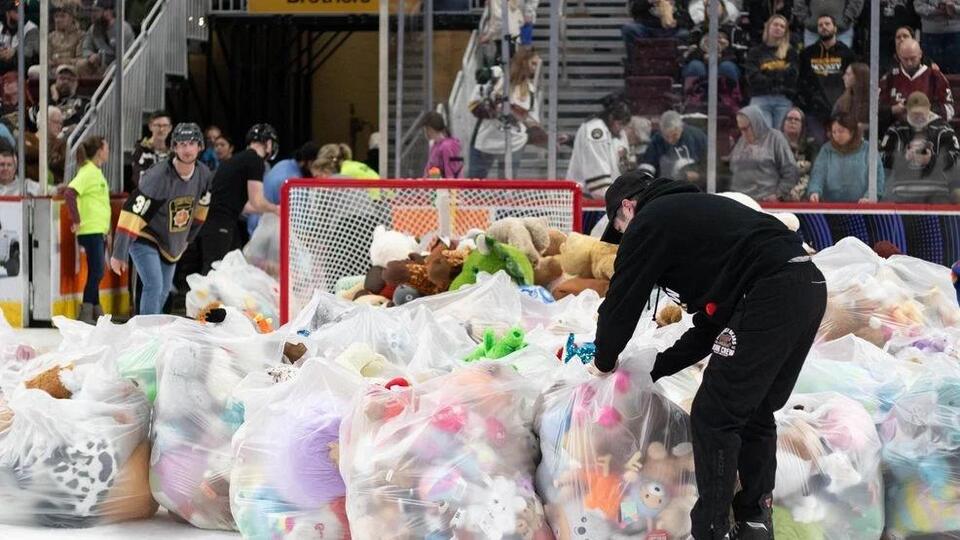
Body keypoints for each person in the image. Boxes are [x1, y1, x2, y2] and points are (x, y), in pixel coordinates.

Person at [590, 171, 827, 540]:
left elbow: (621, 301)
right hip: (807, 286)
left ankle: (712, 529)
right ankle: (754, 521)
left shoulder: (651, 220)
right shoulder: (697, 216)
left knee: (715, 415)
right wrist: (658, 367)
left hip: (771, 290)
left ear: (627, 206)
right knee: (753, 410)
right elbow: (711, 325)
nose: (622, 235)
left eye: (619, 227)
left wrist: (603, 361)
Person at [110, 123, 213, 315]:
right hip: (144, 235)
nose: (187, 149)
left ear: (200, 146)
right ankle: (146, 336)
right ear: (174, 148)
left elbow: (200, 212)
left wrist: (187, 240)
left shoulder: (204, 174)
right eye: (181, 144)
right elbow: (133, 212)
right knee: (154, 285)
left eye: (192, 143)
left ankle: (154, 332)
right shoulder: (157, 176)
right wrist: (119, 252)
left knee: (164, 291)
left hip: (171, 241)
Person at [195, 123, 278, 273]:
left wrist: (269, 211)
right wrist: (277, 209)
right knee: (214, 271)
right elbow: (257, 202)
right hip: (220, 222)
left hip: (221, 221)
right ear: (268, 143)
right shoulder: (255, 161)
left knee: (234, 268)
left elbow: (245, 204)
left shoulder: (238, 160)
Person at [468, 47, 540, 178]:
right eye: (533, 63)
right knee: (473, 185)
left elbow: (532, 121)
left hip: (514, 143)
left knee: (506, 188)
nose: (535, 68)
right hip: (485, 141)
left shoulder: (530, 90)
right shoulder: (495, 77)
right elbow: (473, 106)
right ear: (523, 62)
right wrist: (493, 110)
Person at [63, 136, 111, 324]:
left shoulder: (95, 172)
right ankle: (86, 313)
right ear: (99, 150)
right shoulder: (89, 171)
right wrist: (76, 219)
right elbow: (70, 192)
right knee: (97, 271)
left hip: (97, 229)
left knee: (96, 271)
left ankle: (96, 310)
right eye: (106, 148)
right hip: (90, 230)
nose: (108, 151)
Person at [881, 91, 960, 202]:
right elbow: (881, 158)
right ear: (907, 110)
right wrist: (903, 157)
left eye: (922, 113)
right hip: (901, 192)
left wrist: (932, 159)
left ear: (929, 109)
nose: (919, 117)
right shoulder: (895, 130)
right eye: (915, 114)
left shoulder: (943, 129)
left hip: (936, 192)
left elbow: (956, 157)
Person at [797, 15, 856, 143]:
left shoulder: (847, 54)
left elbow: (853, 83)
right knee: (819, 146)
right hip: (815, 110)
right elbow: (801, 82)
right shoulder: (807, 54)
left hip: (840, 110)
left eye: (827, 24)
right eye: (820, 25)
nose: (823, 27)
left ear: (835, 28)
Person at [879, 38, 954, 130]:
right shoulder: (889, 78)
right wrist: (893, 110)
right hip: (897, 132)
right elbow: (876, 112)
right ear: (899, 56)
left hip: (929, 131)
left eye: (913, 58)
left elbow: (949, 109)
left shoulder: (935, 77)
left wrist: (924, 110)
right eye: (905, 59)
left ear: (920, 54)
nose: (909, 63)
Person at [808, 113, 884, 202]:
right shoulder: (826, 150)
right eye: (834, 132)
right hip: (830, 206)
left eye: (841, 131)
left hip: (862, 206)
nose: (837, 135)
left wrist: (869, 197)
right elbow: (818, 173)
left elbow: (877, 177)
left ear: (851, 132)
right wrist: (814, 191)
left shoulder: (868, 150)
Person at [729, 105, 800, 201]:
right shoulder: (741, 141)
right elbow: (732, 169)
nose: (744, 133)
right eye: (741, 129)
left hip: (766, 202)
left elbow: (791, 171)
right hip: (740, 201)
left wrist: (778, 195)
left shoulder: (775, 138)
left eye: (746, 129)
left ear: (756, 123)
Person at [565, 98, 632, 198]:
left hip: (610, 198)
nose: (622, 128)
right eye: (620, 124)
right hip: (586, 200)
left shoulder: (618, 133)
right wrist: (618, 199)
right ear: (610, 118)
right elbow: (599, 187)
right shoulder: (595, 131)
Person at [744, 15, 800, 130]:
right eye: (775, 24)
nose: (778, 28)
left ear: (785, 31)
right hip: (760, 98)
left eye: (782, 26)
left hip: (783, 99)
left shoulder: (791, 53)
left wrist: (766, 73)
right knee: (763, 139)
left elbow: (792, 76)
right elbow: (753, 77)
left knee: (780, 139)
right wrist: (780, 75)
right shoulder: (755, 52)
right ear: (768, 27)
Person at [681, 0, 746, 83]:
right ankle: (696, 94)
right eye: (709, 6)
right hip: (702, 61)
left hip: (726, 61)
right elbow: (689, 53)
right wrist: (704, 56)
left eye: (716, 5)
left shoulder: (734, 30)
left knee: (726, 67)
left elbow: (740, 55)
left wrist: (721, 55)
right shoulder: (698, 30)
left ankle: (728, 94)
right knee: (695, 66)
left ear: (723, 8)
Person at [639, 110, 708, 185]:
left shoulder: (698, 137)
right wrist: (645, 180)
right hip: (665, 185)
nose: (670, 140)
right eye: (666, 136)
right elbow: (648, 164)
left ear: (681, 128)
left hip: (695, 187)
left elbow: (711, 167)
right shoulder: (657, 140)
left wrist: (700, 176)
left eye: (674, 135)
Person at [78, 0, 135, 78]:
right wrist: (91, 55)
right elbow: (86, 48)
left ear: (108, 12)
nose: (93, 14)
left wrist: (104, 60)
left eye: (96, 11)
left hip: (121, 63)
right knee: (82, 64)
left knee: (114, 68)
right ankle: (89, 89)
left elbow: (126, 56)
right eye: (92, 11)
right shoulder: (93, 28)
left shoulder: (123, 28)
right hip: (100, 63)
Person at [622, 0, 690, 64]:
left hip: (673, 31)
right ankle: (637, 66)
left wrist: (677, 22)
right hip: (645, 28)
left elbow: (689, 14)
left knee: (684, 34)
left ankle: (677, 67)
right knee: (629, 29)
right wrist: (648, 1)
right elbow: (633, 9)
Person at [779, 107, 820, 200]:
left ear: (802, 125)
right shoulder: (776, 144)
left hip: (803, 188)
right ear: (783, 123)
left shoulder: (811, 145)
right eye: (789, 119)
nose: (792, 122)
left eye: (796, 119)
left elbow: (815, 170)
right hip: (780, 187)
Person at [263, 141, 321, 205]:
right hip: (266, 213)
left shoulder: (283, 163)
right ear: (309, 162)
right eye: (316, 165)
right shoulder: (295, 182)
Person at [24, 106, 67, 186]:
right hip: (28, 186)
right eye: (56, 122)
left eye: (61, 123)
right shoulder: (26, 137)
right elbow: (26, 153)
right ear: (44, 120)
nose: (59, 126)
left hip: (54, 188)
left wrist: (36, 152)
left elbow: (58, 165)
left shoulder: (61, 144)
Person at [130, 110, 172, 190]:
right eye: (158, 125)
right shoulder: (141, 150)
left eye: (165, 125)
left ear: (170, 128)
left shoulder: (173, 154)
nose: (161, 129)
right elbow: (140, 180)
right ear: (150, 126)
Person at [915, 0, 960, 74]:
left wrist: (954, 8)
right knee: (930, 73)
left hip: (956, 33)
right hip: (930, 35)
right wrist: (939, 9)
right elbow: (918, 7)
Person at [793, 0, 863, 47]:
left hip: (841, 31)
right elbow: (798, 2)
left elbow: (856, 1)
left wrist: (848, 17)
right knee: (811, 67)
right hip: (813, 30)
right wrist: (807, 21)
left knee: (843, 67)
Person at [44, 5, 84, 76]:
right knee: (33, 70)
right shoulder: (50, 36)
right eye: (56, 17)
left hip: (71, 67)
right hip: (51, 67)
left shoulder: (80, 35)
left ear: (72, 18)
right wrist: (49, 62)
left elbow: (80, 59)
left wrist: (61, 61)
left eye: (62, 16)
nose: (58, 20)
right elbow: (46, 58)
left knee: (62, 70)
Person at [0, 0, 38, 73]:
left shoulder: (31, 28)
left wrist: (14, 51)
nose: (21, 14)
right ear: (7, 13)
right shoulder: (1, 27)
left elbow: (30, 52)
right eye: (16, 11)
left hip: (22, 69)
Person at [48, 64, 90, 129]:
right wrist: (54, 98)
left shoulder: (83, 103)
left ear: (76, 83)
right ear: (56, 81)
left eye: (70, 79)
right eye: (62, 78)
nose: (65, 82)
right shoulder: (46, 100)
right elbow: (34, 118)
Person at [422, 111, 464, 178]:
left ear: (430, 129)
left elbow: (450, 173)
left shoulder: (446, 147)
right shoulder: (435, 145)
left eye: (425, 129)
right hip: (436, 185)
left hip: (446, 186)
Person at [832, 62, 871, 131]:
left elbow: (881, 124)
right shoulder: (842, 100)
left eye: (848, 74)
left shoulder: (873, 100)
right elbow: (833, 122)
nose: (843, 77)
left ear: (859, 77)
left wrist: (865, 127)